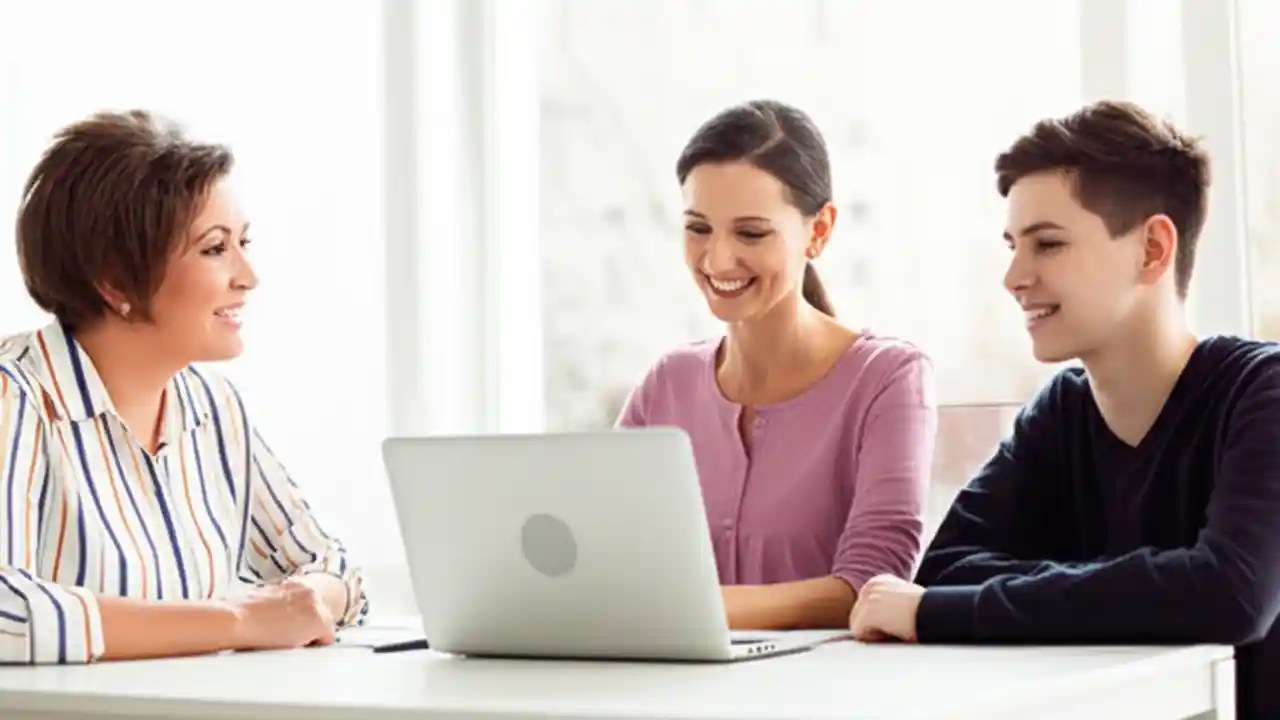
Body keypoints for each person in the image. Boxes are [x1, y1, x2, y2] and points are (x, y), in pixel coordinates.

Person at [847, 100, 1280, 719]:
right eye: (1013, 246)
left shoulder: (1262, 392)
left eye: (1048, 244)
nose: (1014, 277)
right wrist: (1148, 585)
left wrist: (957, 607)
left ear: (1153, 249)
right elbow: (944, 572)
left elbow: (1229, 594)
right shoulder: (1058, 412)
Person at [0, 110, 367, 663]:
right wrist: (240, 621)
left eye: (244, 242)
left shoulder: (213, 407)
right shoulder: (17, 398)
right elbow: (7, 611)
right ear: (115, 280)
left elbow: (330, 569)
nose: (248, 276)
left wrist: (304, 602)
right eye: (215, 248)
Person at [618, 100, 936, 630]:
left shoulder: (887, 378)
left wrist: (687, 608)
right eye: (698, 228)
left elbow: (870, 586)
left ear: (819, 230)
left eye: (750, 233)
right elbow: (603, 559)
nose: (718, 260)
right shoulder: (667, 384)